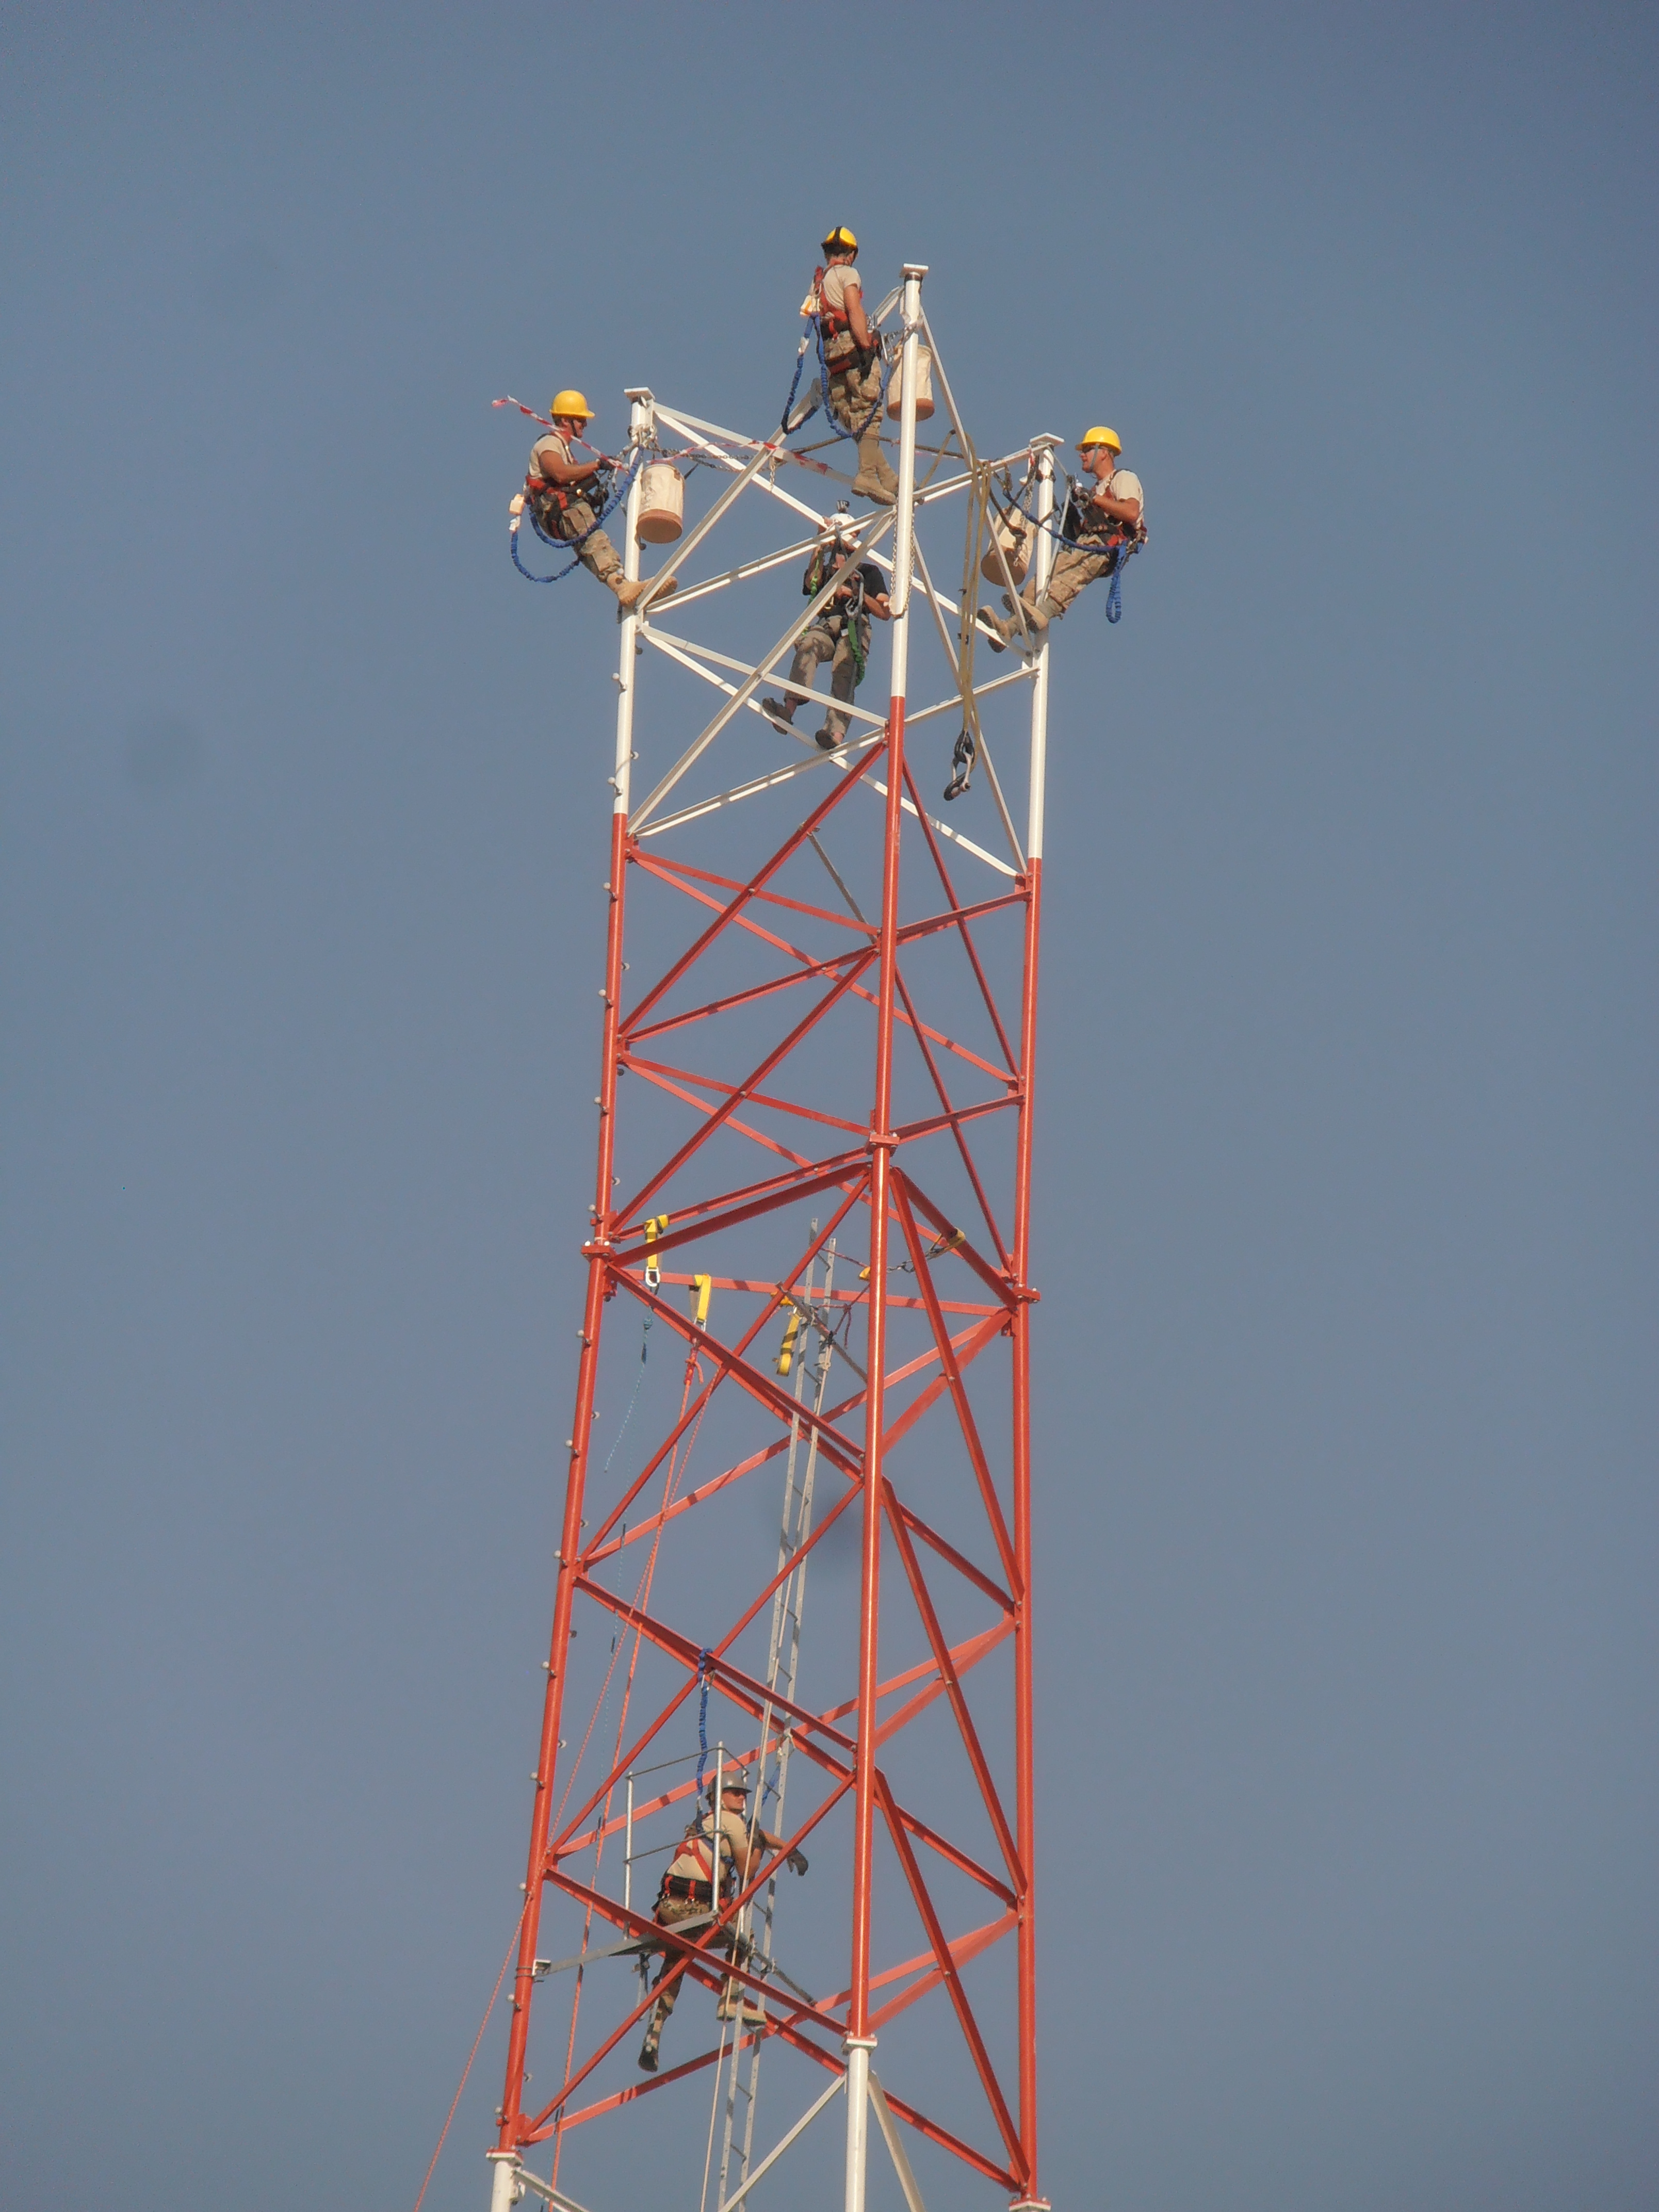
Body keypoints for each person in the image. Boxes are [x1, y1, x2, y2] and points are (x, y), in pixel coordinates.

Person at [638, 1768, 808, 2073]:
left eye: (743, 1794)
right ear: (718, 1798)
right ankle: (729, 2000)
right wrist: (766, 1848)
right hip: (696, 1911)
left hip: (670, 1908)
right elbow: (747, 1872)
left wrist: (784, 1846)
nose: (741, 1798)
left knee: (676, 1961)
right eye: (736, 1793)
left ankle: (654, 2035)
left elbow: (751, 1834)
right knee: (743, 1940)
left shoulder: (706, 1823)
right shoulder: (729, 1821)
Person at [982, 427, 1144, 648]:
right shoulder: (1097, 489)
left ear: (1104, 452)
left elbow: (1131, 513)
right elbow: (1079, 531)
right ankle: (1008, 628)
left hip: (1105, 547)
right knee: (1044, 578)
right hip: (1086, 544)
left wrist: (1094, 499)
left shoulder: (1123, 478)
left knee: (1069, 576)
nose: (1082, 455)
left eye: (1087, 449)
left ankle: (1043, 613)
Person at [525, 390, 676, 609]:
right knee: (595, 541)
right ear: (566, 420)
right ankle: (622, 586)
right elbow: (560, 474)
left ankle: (623, 588)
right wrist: (596, 465)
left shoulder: (563, 448)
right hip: (560, 507)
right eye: (581, 421)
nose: (585, 425)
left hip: (562, 509)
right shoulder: (549, 443)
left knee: (591, 545)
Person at [761, 518, 891, 749]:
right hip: (827, 625)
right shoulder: (825, 567)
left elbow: (884, 610)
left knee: (844, 669)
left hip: (854, 625)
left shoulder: (868, 573)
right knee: (809, 644)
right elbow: (809, 581)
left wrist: (854, 592)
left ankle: (835, 733)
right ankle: (787, 710)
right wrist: (819, 544)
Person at [806, 227, 899, 507]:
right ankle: (867, 474)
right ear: (851, 254)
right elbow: (853, 310)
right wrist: (867, 346)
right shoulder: (848, 275)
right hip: (850, 346)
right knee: (870, 410)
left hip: (831, 357)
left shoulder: (818, 284)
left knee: (855, 416)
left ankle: (888, 478)